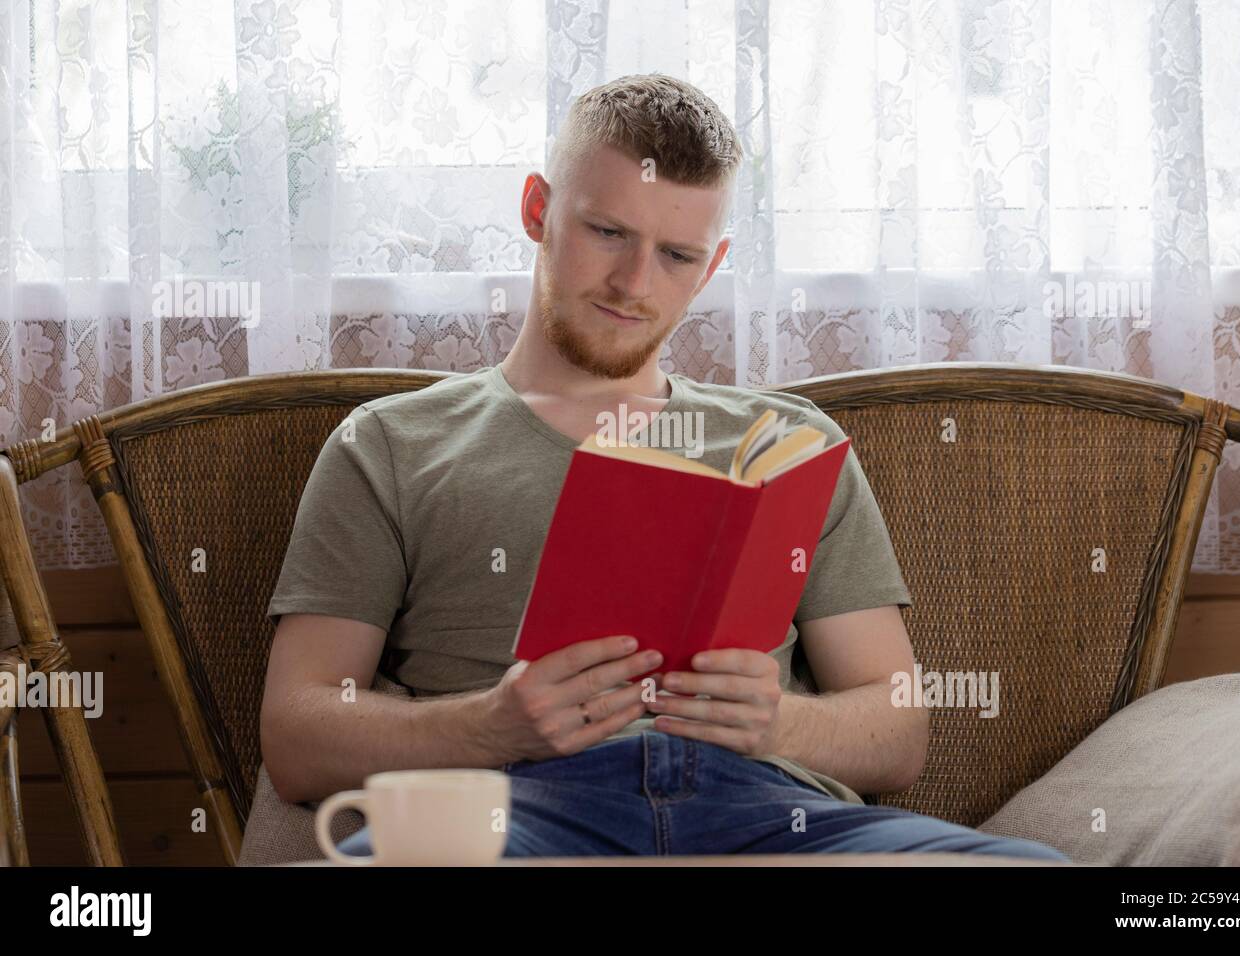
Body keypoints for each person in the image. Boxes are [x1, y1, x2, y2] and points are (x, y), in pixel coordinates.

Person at [259, 72, 1069, 863]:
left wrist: (777, 722)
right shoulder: (392, 444)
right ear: (538, 211)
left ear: (710, 268)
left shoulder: (787, 442)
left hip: (765, 813)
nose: (634, 284)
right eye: (607, 232)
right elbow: (296, 733)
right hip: (516, 808)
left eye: (677, 254)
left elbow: (897, 731)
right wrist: (492, 723)